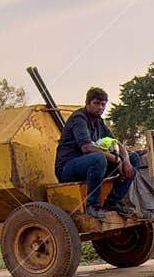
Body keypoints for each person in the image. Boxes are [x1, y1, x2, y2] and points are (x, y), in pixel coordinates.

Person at [54, 87, 145, 223]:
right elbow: (86, 147)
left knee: (134, 158)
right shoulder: (79, 118)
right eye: (96, 103)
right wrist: (116, 160)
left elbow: (116, 143)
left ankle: (113, 201)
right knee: (99, 158)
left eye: (103, 104)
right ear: (87, 103)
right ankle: (92, 205)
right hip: (68, 167)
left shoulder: (99, 122)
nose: (100, 107)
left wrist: (125, 160)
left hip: (90, 165)